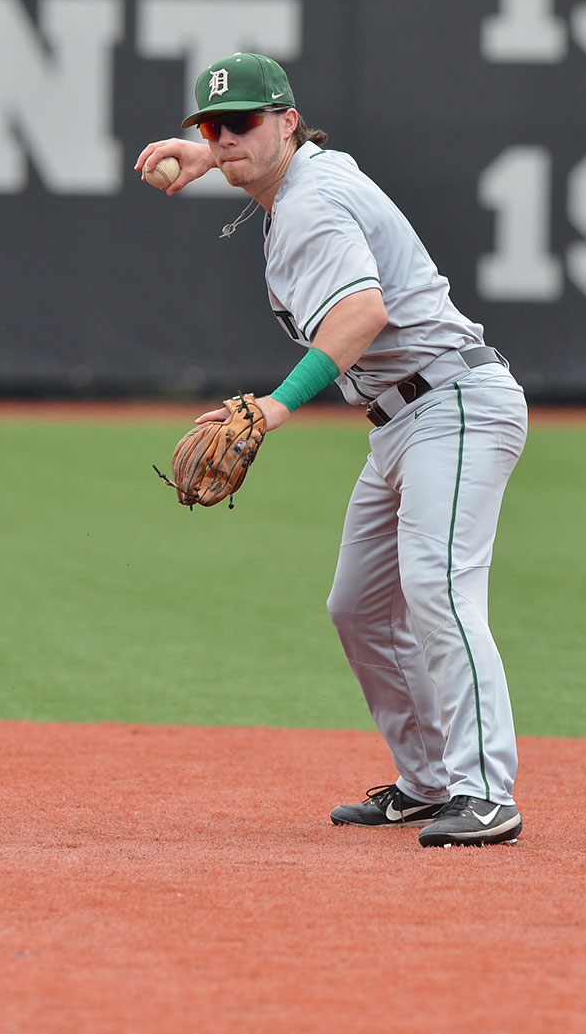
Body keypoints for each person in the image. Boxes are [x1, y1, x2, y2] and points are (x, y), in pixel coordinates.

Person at [136, 53, 527, 848]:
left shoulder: (310, 203)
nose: (224, 137)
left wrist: (278, 406)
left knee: (437, 585)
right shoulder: (308, 171)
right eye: (213, 124)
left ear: (286, 121)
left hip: (453, 405)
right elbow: (268, 153)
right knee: (356, 605)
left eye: (241, 122)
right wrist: (212, 153)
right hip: (403, 422)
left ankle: (485, 791)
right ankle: (426, 782)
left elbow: (361, 313)